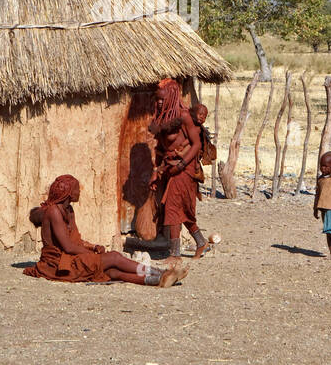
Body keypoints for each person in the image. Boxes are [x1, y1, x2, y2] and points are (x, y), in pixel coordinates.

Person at [24, 175, 186, 287]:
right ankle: (160, 272)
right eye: (76, 189)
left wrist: (92, 247)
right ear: (68, 192)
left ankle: (157, 280)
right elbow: (68, 247)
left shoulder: (69, 210)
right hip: (58, 265)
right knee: (114, 257)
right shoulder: (53, 212)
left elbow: (76, 241)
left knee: (112, 272)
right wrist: (94, 256)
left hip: (70, 259)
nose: (79, 191)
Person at [151, 78, 211, 260]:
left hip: (185, 168)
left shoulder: (184, 117)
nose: (159, 103)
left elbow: (196, 144)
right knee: (181, 208)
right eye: (157, 99)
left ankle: (174, 253)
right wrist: (158, 170)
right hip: (170, 167)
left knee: (173, 207)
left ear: (171, 98)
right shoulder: (161, 118)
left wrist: (182, 165)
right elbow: (162, 147)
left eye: (162, 99)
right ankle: (201, 243)